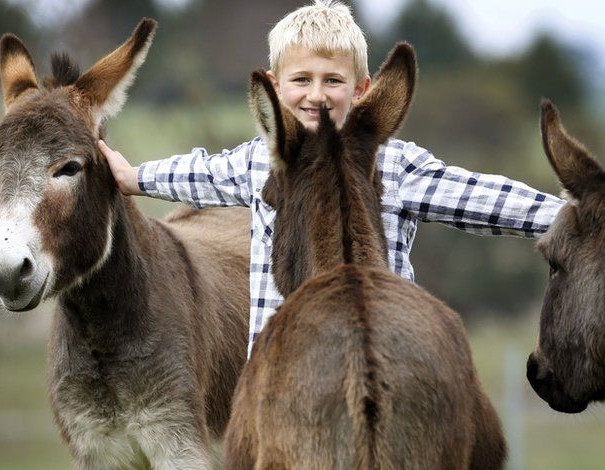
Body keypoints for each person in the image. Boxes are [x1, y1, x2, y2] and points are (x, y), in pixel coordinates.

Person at [98, 0, 564, 360]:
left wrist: (567, 215)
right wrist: (135, 176)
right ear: (276, 87)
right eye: (301, 79)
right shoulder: (261, 161)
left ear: (362, 91)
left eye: (333, 81)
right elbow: (202, 173)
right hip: (277, 364)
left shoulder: (393, 164)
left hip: (380, 350)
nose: (316, 95)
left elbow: (474, 196)